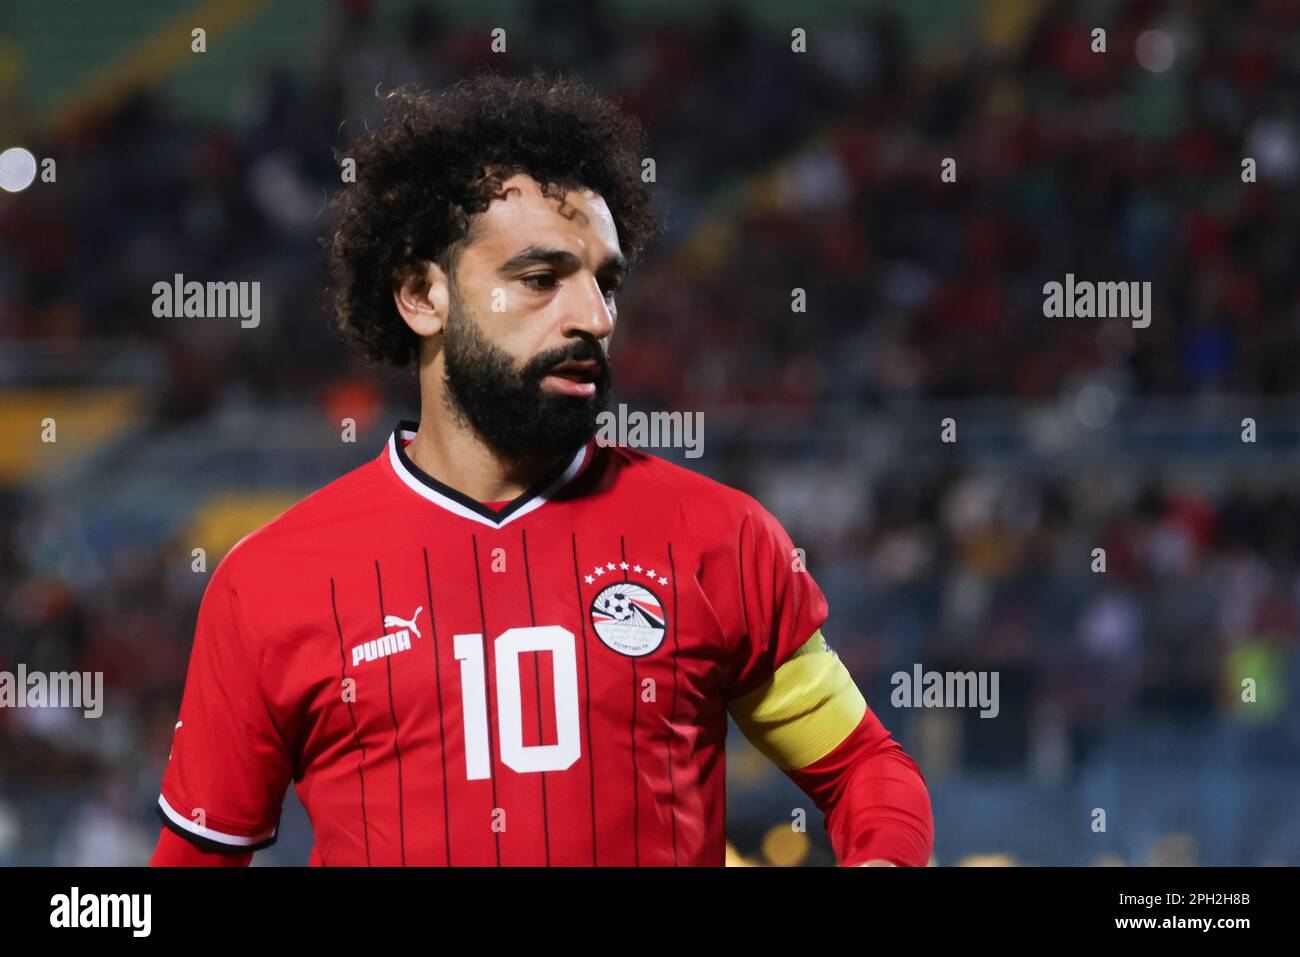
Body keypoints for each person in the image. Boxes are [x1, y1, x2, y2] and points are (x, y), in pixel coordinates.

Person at [149, 69, 932, 867]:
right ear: (423, 294)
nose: (593, 316)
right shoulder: (270, 583)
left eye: (606, 282)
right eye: (540, 278)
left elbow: (866, 768)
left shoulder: (719, 538)